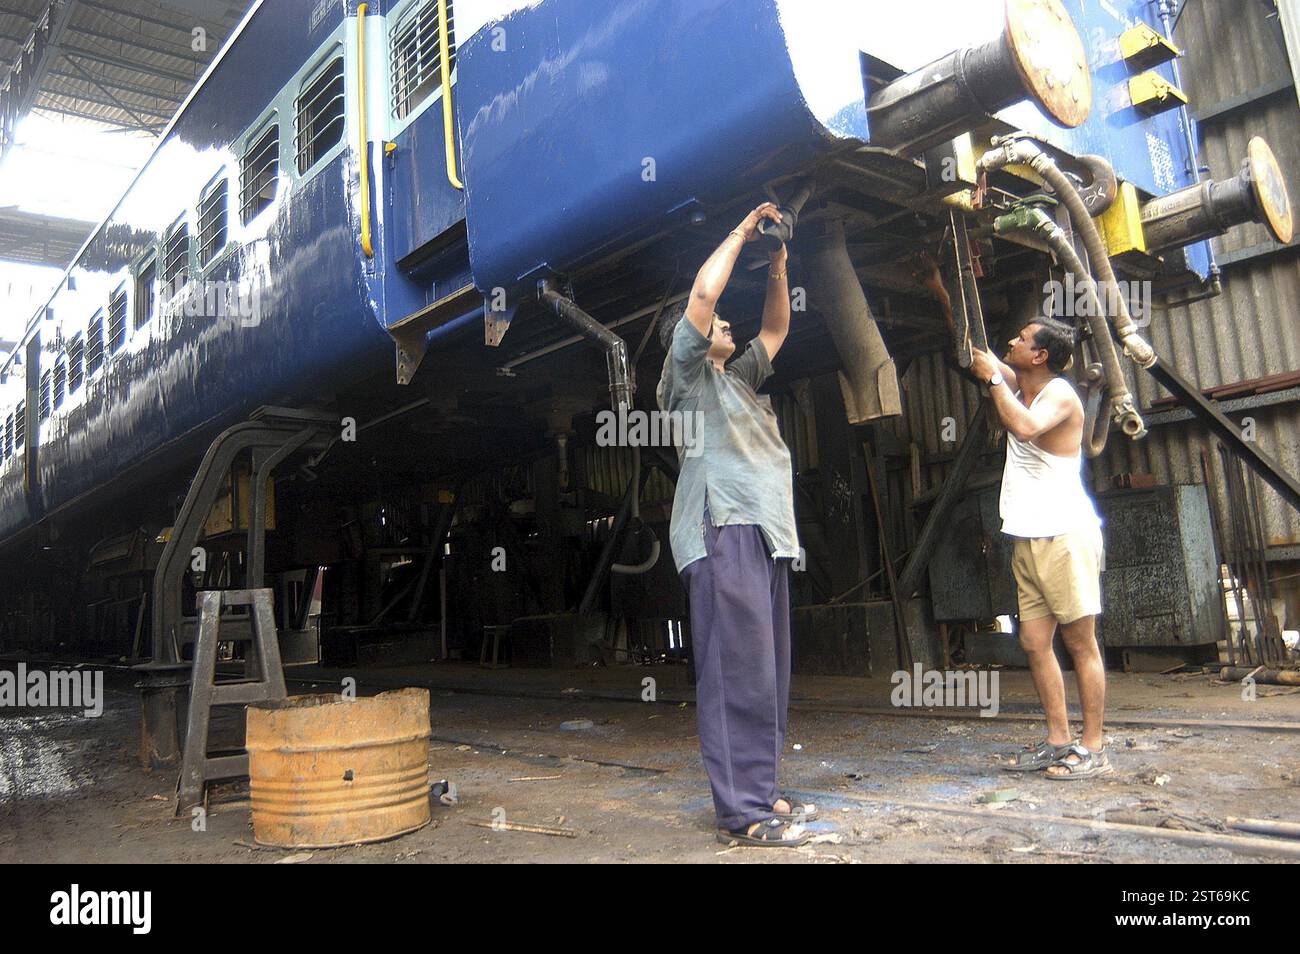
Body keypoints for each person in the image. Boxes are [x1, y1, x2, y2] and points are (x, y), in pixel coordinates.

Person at [656, 202, 815, 845]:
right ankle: (742, 812)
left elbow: (775, 331)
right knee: (735, 672)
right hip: (722, 528)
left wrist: (778, 265)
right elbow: (702, 291)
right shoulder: (687, 379)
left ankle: (762, 790)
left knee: (766, 671)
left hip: (765, 532)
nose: (725, 324)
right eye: (717, 324)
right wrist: (743, 230)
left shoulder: (740, 379)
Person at [970, 319, 1112, 780]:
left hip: (1066, 536)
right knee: (1033, 642)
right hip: (1028, 537)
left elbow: (1025, 428)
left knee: (1080, 643)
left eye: (1021, 339)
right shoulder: (1022, 384)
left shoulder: (1058, 395)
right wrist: (943, 286)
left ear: (1039, 356)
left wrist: (993, 378)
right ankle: (1057, 740)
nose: (1011, 341)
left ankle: (1093, 746)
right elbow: (978, 350)